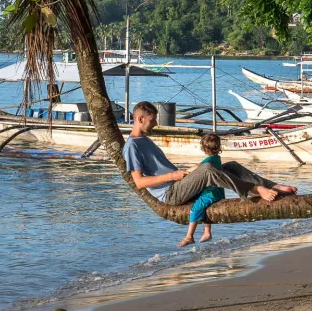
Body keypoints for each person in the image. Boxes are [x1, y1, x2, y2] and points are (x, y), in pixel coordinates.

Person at [122, 101, 298, 212]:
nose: (155, 124)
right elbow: (139, 182)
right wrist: (173, 176)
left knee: (231, 166)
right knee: (208, 170)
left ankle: (272, 185)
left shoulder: (145, 140)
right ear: (140, 120)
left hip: (179, 182)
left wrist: (188, 171)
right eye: (152, 120)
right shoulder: (132, 145)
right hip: (171, 193)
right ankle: (255, 189)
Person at [179, 133, 225, 247]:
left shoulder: (208, 160)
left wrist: (185, 172)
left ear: (204, 149)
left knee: (194, 209)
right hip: (216, 191)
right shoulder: (216, 158)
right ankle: (207, 232)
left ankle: (189, 236)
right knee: (204, 207)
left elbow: (197, 166)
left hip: (211, 193)